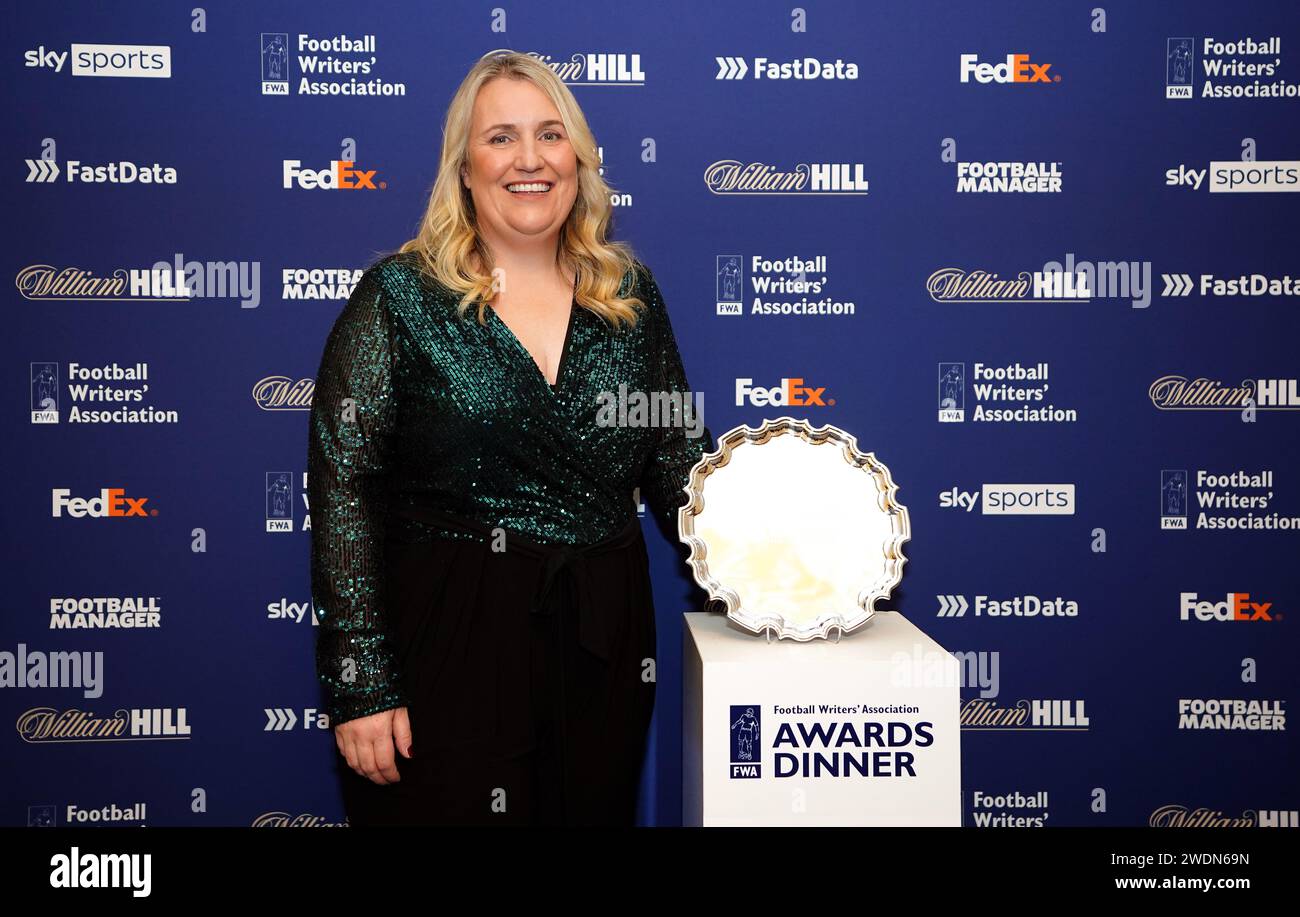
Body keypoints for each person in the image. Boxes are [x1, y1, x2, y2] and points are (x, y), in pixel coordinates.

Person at [306, 51, 713, 826]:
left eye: (550, 134)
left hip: (602, 639)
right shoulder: (401, 298)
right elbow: (343, 484)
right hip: (449, 641)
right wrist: (360, 680)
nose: (529, 159)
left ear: (579, 159)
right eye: (501, 138)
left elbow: (677, 464)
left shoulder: (629, 297)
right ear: (463, 167)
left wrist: (798, 554)